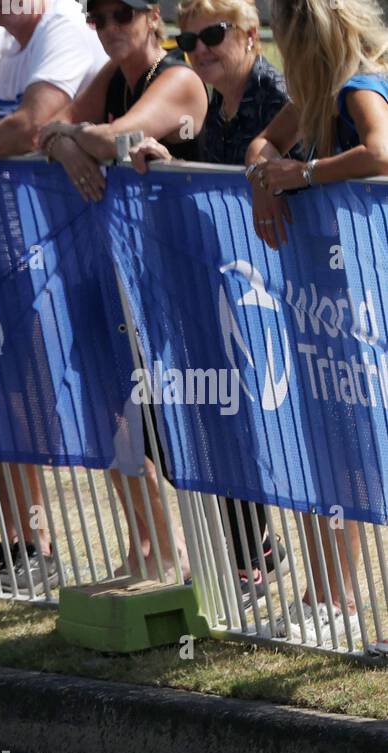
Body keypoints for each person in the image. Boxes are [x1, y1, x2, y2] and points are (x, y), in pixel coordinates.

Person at [0, 0, 106, 594]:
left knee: (87, 407)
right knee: (4, 400)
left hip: (65, 254)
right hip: (2, 256)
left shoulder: (60, 25)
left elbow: (29, 125)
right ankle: (22, 543)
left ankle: (156, 554)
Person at [36, 0, 207, 583]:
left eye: (121, 14)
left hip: (176, 282)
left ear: (152, 15)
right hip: (116, 273)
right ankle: (145, 549)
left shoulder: (179, 78)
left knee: (155, 421)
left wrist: (70, 136)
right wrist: (62, 143)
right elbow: (52, 131)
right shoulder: (112, 76)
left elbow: (114, 136)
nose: (109, 28)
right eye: (97, 17)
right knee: (112, 414)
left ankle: (180, 557)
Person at [128, 0, 291, 600]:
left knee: (253, 422)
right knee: (191, 416)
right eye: (186, 39)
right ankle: (249, 550)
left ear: (251, 34)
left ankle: (283, 570)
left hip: (270, 294)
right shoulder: (216, 106)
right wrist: (173, 164)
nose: (197, 50)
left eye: (212, 36)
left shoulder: (274, 97)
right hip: (218, 287)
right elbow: (217, 185)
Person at [244, 0, 388, 646]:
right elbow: (263, 143)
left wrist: (300, 173)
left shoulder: (357, 86)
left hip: (363, 303)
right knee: (329, 448)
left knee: (359, 448)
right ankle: (327, 597)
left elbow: (383, 151)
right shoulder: (317, 93)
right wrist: (260, 179)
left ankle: (341, 600)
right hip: (325, 303)